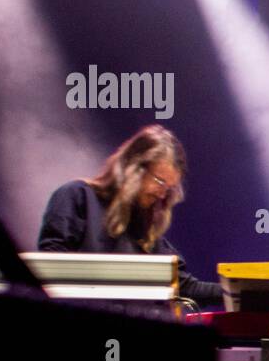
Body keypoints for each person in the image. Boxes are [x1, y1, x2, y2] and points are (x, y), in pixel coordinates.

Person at [37, 125, 222, 304]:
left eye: (168, 188)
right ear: (133, 167)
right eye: (159, 181)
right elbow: (52, 266)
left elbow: (185, 287)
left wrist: (242, 292)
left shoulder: (147, 234)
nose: (162, 194)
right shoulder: (77, 197)